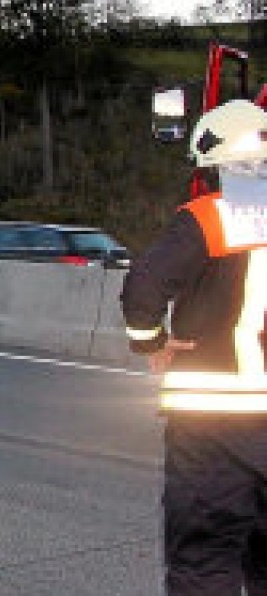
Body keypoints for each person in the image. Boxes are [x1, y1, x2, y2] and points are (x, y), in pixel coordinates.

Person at [122, 99, 267, 594]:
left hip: (212, 424)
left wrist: (154, 343)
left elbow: (143, 289)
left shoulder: (210, 218)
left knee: (205, 561)